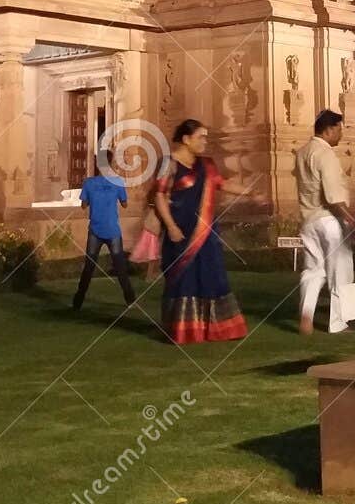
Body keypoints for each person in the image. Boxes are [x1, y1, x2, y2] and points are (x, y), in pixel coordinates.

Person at [153, 119, 247, 344]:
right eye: (200, 137)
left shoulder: (207, 165)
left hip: (206, 233)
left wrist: (250, 193)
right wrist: (171, 227)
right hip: (180, 232)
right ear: (186, 139)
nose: (205, 141)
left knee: (211, 276)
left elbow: (221, 184)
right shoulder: (168, 163)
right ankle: (185, 331)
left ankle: (215, 329)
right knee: (183, 280)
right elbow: (159, 196)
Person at [294, 109, 354, 335]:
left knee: (313, 270)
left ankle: (307, 315)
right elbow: (332, 195)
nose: (341, 134)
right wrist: (349, 217)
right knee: (340, 270)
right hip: (330, 219)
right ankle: (338, 323)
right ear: (329, 130)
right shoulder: (325, 153)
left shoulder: (302, 152)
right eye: (339, 129)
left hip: (308, 219)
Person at [72, 151, 134, 309]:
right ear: (111, 163)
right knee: (120, 266)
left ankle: (78, 301)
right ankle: (130, 300)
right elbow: (125, 204)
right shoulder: (117, 182)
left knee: (89, 266)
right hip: (112, 230)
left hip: (95, 229)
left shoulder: (89, 183)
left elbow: (83, 205)